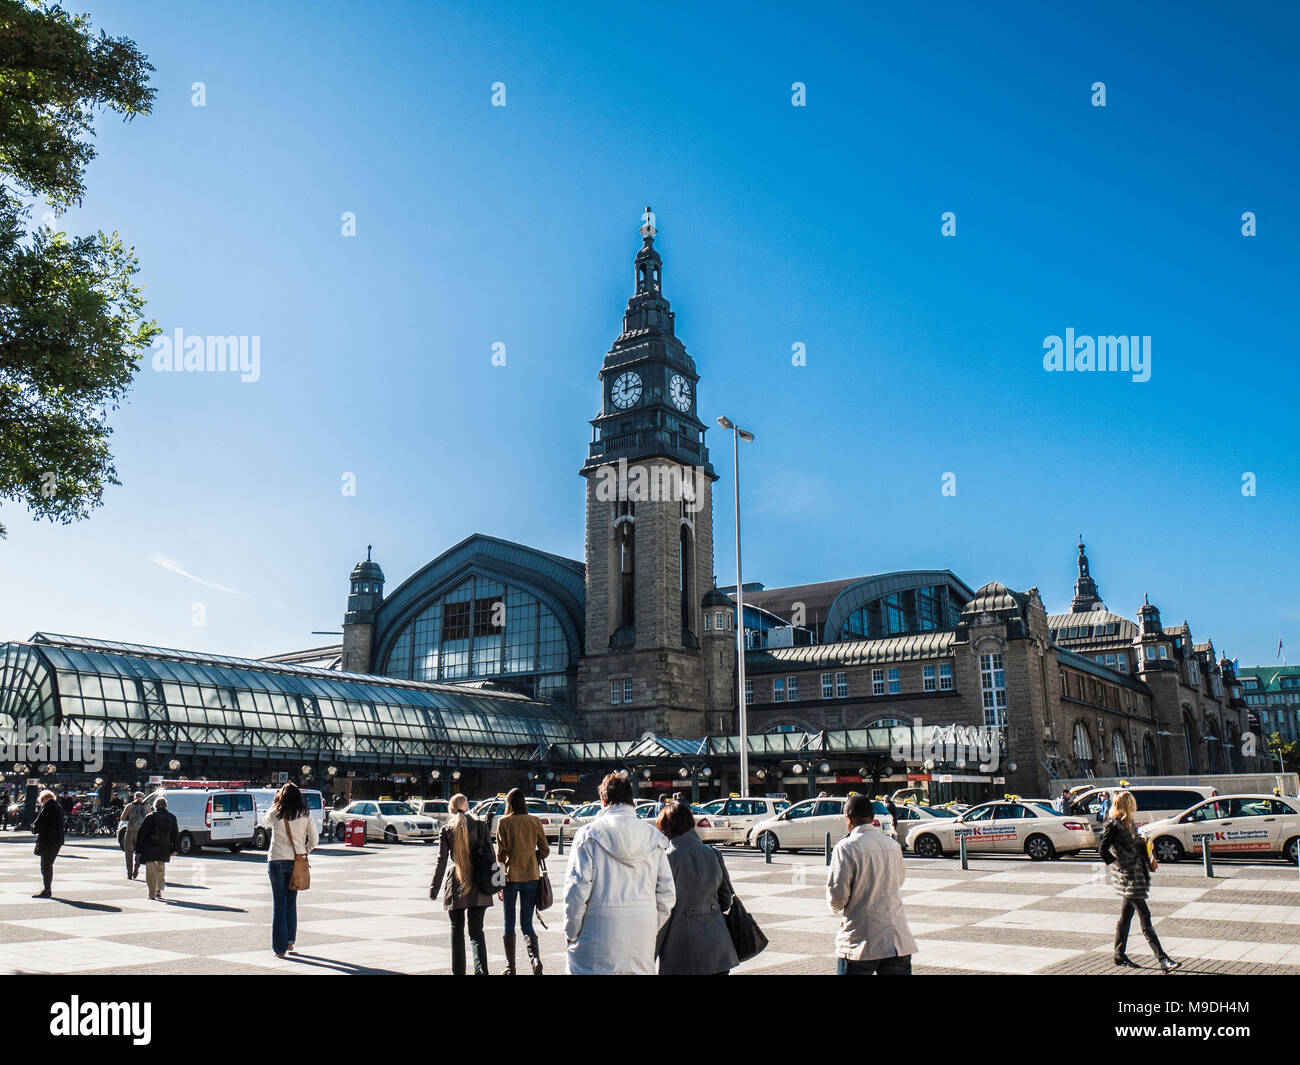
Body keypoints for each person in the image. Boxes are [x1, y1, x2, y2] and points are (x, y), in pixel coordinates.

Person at [562, 771, 675, 975]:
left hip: (597, 932)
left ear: (604, 801)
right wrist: (650, 923)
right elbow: (667, 894)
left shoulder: (589, 836)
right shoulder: (653, 838)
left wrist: (571, 931)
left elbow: (577, 889)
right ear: (631, 800)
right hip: (641, 933)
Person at [826, 793, 917, 975]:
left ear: (848, 818)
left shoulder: (846, 847)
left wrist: (836, 907)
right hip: (897, 937)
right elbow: (899, 880)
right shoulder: (892, 845)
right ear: (872, 818)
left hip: (860, 938)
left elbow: (838, 896)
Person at [655, 801, 738, 975]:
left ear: (667, 828)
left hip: (681, 947)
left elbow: (662, 908)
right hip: (718, 946)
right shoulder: (713, 853)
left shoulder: (667, 859)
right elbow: (726, 898)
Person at [1101, 790, 1179, 971]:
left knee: (1125, 917)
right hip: (1129, 876)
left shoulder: (1128, 823)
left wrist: (1150, 856)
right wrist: (1117, 863)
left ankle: (1119, 955)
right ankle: (1162, 959)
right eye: (1131, 802)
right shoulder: (1113, 824)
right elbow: (1102, 849)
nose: (1134, 804)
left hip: (1137, 873)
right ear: (1126, 804)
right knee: (1145, 915)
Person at [430, 793, 495, 975]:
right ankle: (481, 968)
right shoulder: (481, 826)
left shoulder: (447, 829)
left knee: (456, 931)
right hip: (479, 882)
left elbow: (441, 861)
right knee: (476, 932)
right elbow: (491, 856)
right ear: (467, 807)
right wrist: (498, 883)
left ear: (451, 808)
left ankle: (458, 972)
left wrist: (434, 889)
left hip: (457, 881)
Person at [495, 787, 550, 975]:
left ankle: (510, 967)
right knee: (527, 923)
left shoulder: (503, 822)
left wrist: (498, 882)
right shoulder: (534, 821)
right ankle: (535, 959)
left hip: (511, 877)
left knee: (508, 923)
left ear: (508, 803)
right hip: (532, 876)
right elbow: (545, 850)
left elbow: (500, 855)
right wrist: (532, 856)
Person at [264, 781, 318, 957]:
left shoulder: (276, 812)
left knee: (279, 905)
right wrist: (304, 851)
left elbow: (265, 822)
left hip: (277, 859)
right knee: (291, 902)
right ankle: (289, 942)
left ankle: (279, 949)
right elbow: (314, 839)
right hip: (296, 861)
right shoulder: (305, 813)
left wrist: (274, 804)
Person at [135, 795, 180, 901]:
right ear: (166, 805)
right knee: (160, 869)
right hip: (165, 847)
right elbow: (175, 834)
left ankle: (152, 893)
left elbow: (142, 834)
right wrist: (175, 849)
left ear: (155, 806)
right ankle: (158, 889)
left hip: (150, 847)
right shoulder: (171, 817)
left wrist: (138, 849)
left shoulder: (150, 817)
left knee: (151, 871)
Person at [31, 790, 65, 898]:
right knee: (48, 864)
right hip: (57, 840)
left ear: (44, 799)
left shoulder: (48, 807)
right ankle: (47, 888)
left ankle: (47, 889)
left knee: (45, 866)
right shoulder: (58, 807)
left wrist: (33, 828)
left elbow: (41, 823)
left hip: (48, 840)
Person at [118, 791, 147, 880]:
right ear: (142, 798)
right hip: (141, 832)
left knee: (129, 853)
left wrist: (129, 817)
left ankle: (129, 873)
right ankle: (137, 867)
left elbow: (122, 818)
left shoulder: (129, 806)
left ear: (134, 797)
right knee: (139, 852)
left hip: (130, 831)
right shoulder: (147, 806)